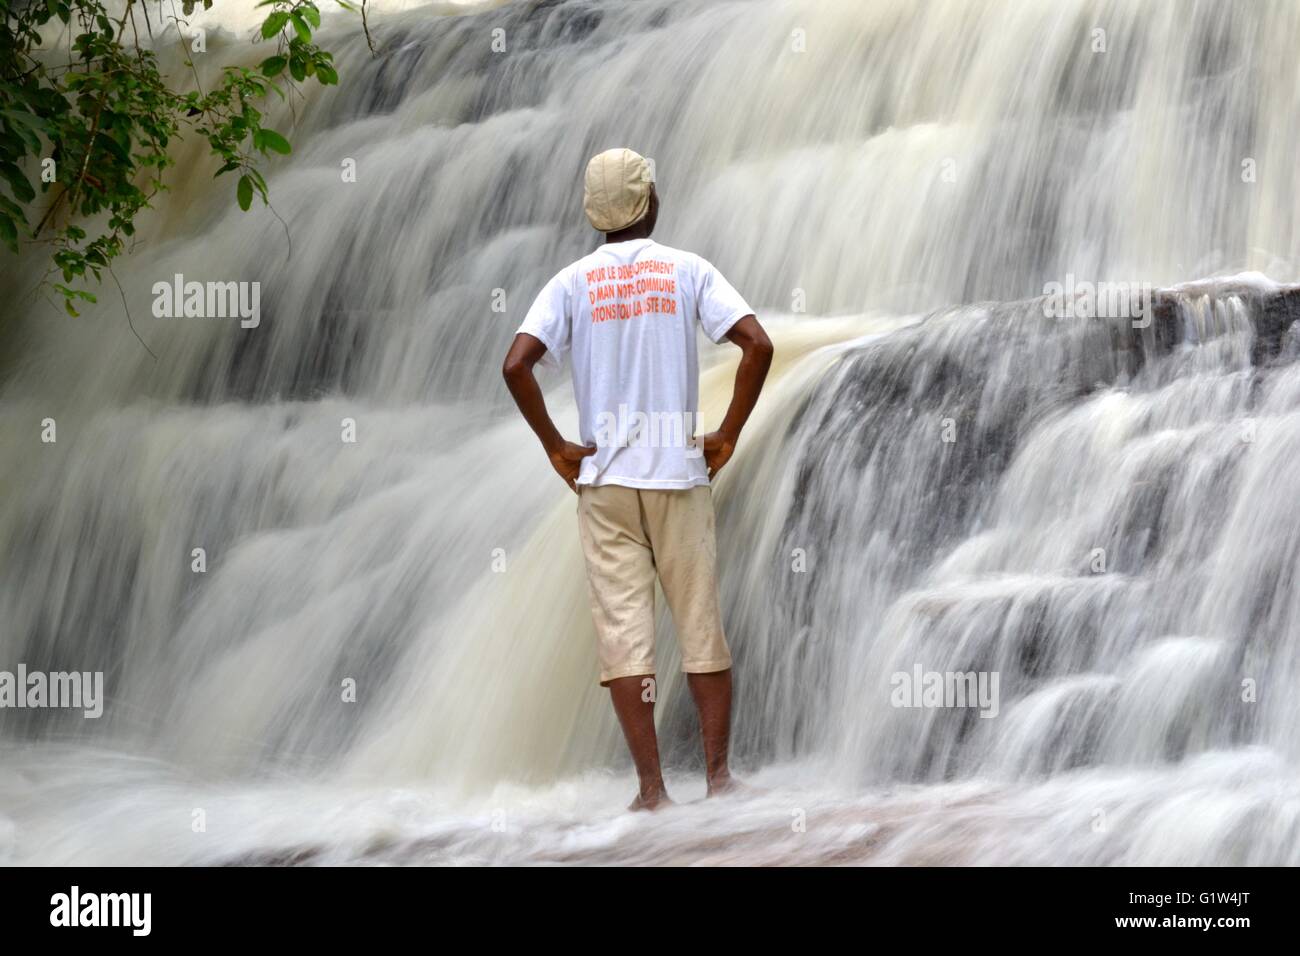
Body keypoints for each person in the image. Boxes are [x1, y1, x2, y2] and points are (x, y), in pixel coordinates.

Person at [502, 147, 773, 810]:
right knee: (700, 623)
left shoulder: (571, 283)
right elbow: (758, 345)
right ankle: (718, 780)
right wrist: (729, 431)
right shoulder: (687, 271)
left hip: (605, 482)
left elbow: (516, 366)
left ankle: (651, 792)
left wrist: (556, 447)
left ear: (595, 213)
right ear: (650, 200)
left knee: (625, 638)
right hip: (677, 472)